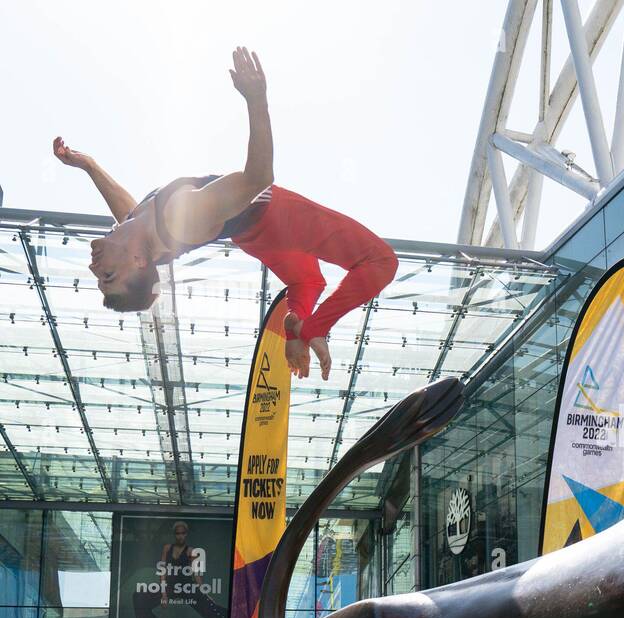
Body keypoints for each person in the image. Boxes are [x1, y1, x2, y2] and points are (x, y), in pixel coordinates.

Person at [53, 47, 397, 382]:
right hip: (278, 217)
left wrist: (89, 166)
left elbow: (126, 211)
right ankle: (313, 328)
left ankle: (297, 329)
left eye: (98, 276)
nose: (94, 267)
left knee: (306, 281)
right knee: (381, 263)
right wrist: (256, 98)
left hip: (256, 237)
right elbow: (259, 178)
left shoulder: (138, 226)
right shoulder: (180, 216)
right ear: (140, 261)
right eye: (108, 275)